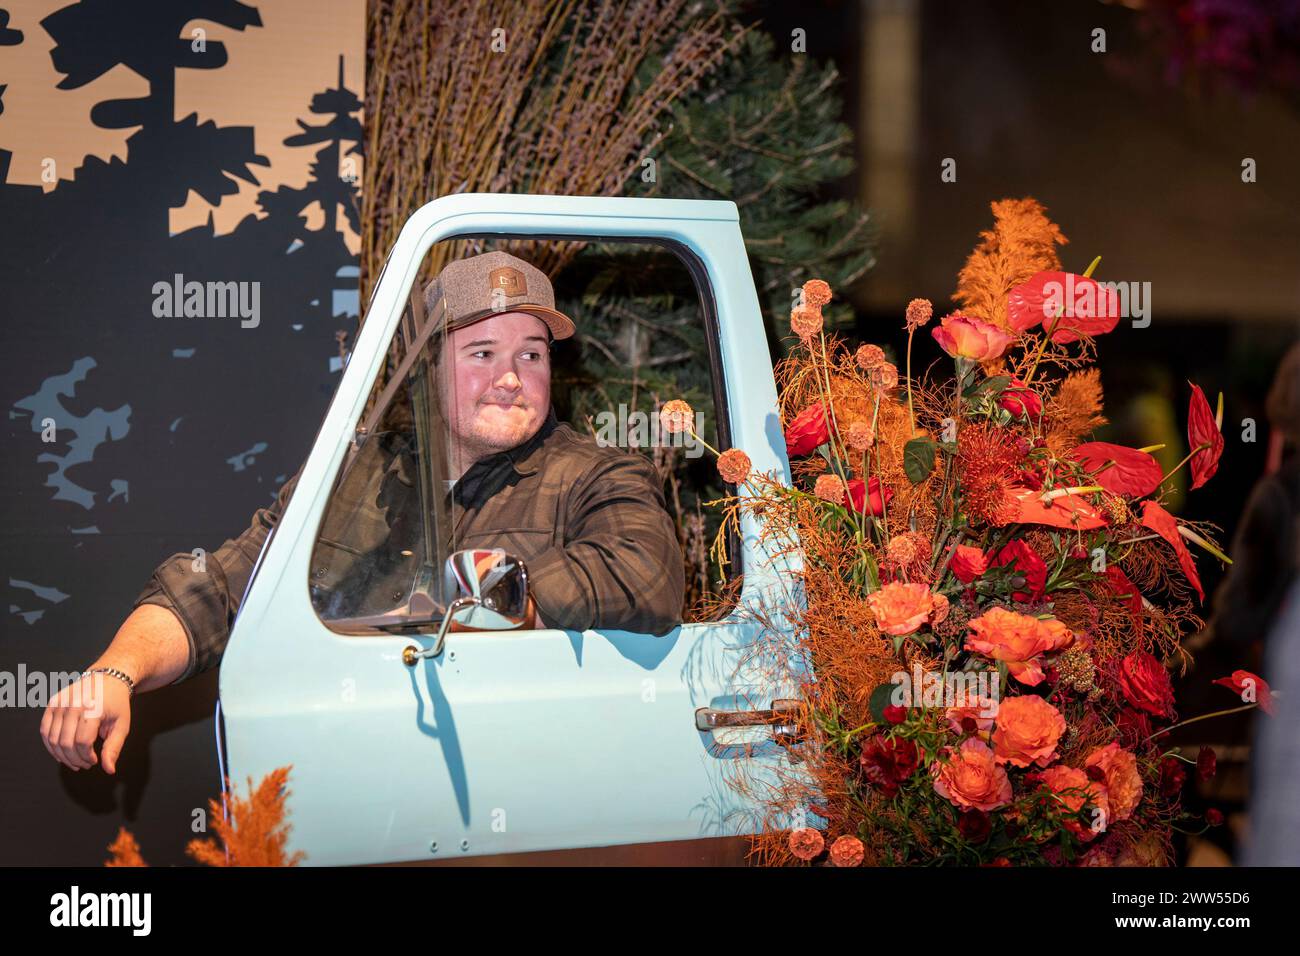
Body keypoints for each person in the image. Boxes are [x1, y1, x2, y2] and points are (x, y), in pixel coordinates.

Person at [40, 250, 686, 774]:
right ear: (430, 367)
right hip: (359, 771)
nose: (512, 377)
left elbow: (642, 574)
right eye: (483, 353)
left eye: (532, 354)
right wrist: (113, 674)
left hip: (520, 779)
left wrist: (483, 595)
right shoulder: (351, 475)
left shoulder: (599, 471)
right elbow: (223, 586)